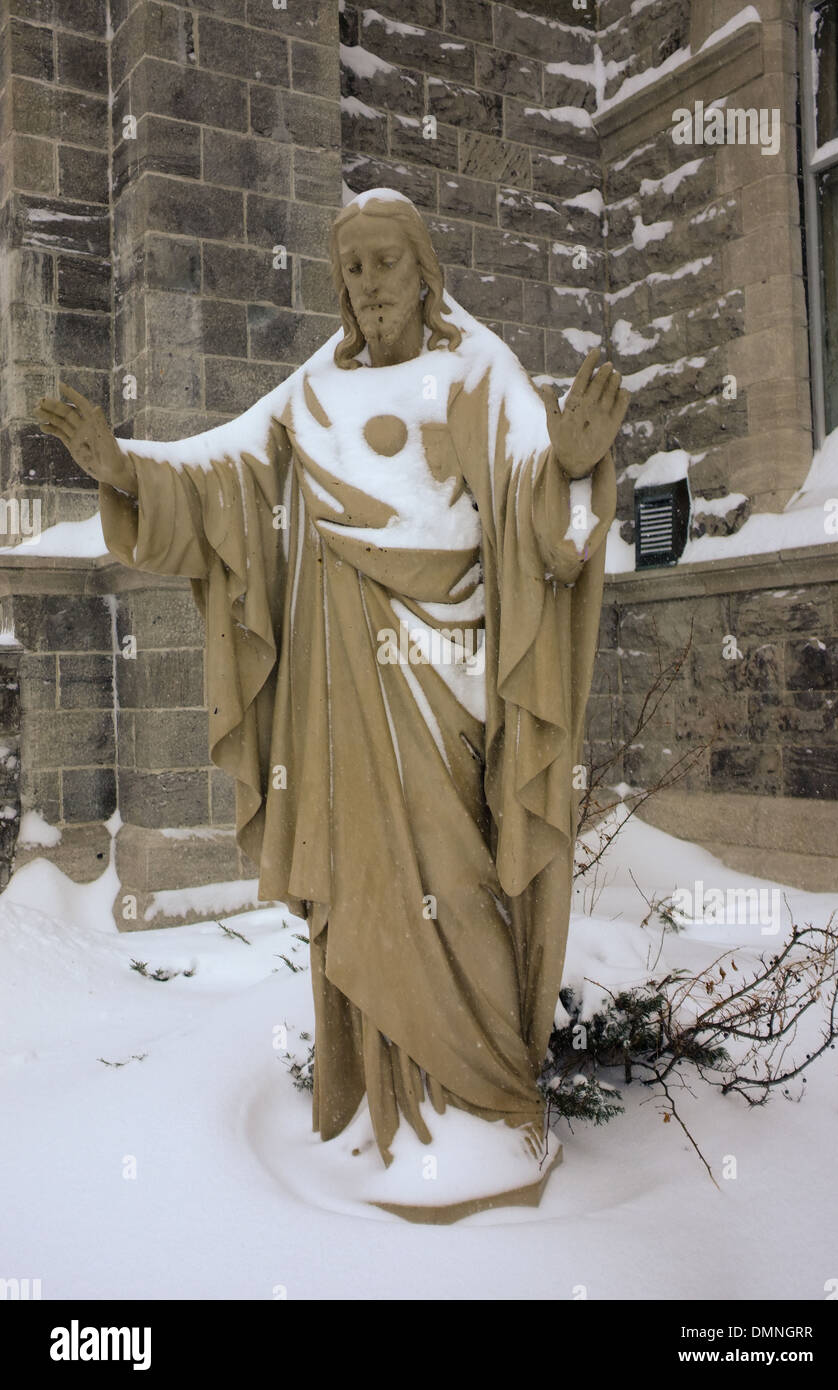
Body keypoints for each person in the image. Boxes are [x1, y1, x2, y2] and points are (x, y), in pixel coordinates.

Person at [37, 188, 628, 1217]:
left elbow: (541, 504)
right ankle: (394, 1113)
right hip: (342, 702)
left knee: (459, 880)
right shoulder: (311, 394)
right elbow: (224, 472)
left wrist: (569, 470)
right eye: (351, 269)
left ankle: (487, 1098)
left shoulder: (474, 371)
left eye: (385, 263)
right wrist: (126, 468)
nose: (366, 285)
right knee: (369, 889)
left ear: (423, 269)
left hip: (445, 692)